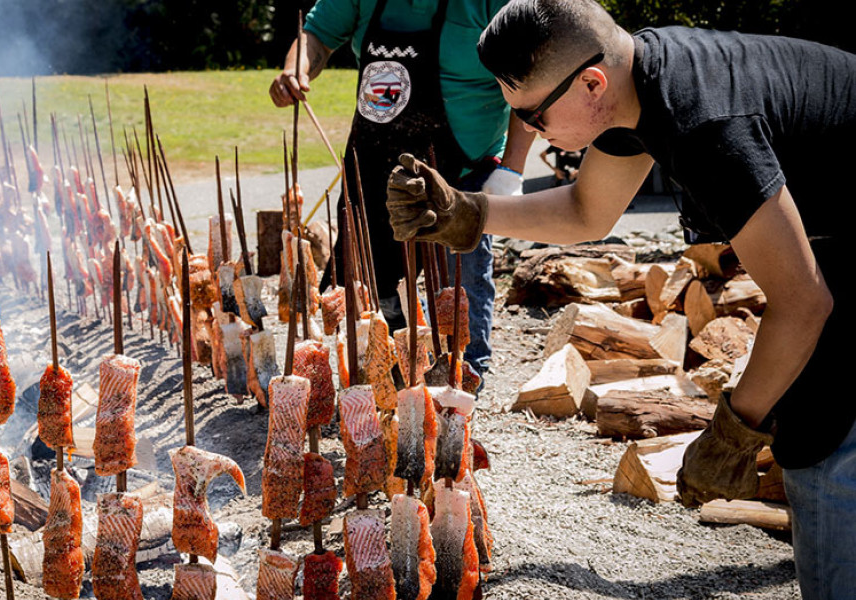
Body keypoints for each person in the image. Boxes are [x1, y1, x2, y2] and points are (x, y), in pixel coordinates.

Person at [386, 0, 852, 596]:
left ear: (590, 83)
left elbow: (805, 302)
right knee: (815, 421)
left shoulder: (706, 126)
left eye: (532, 114)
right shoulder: (636, 87)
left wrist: (736, 430)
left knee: (823, 445)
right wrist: (469, 211)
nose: (528, 129)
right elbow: (588, 210)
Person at [269, 0, 535, 382]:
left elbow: (531, 79)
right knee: (371, 291)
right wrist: (296, 69)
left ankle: (461, 388)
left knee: (458, 295)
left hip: (463, 172)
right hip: (375, 162)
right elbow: (317, 36)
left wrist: (511, 171)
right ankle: (391, 383)